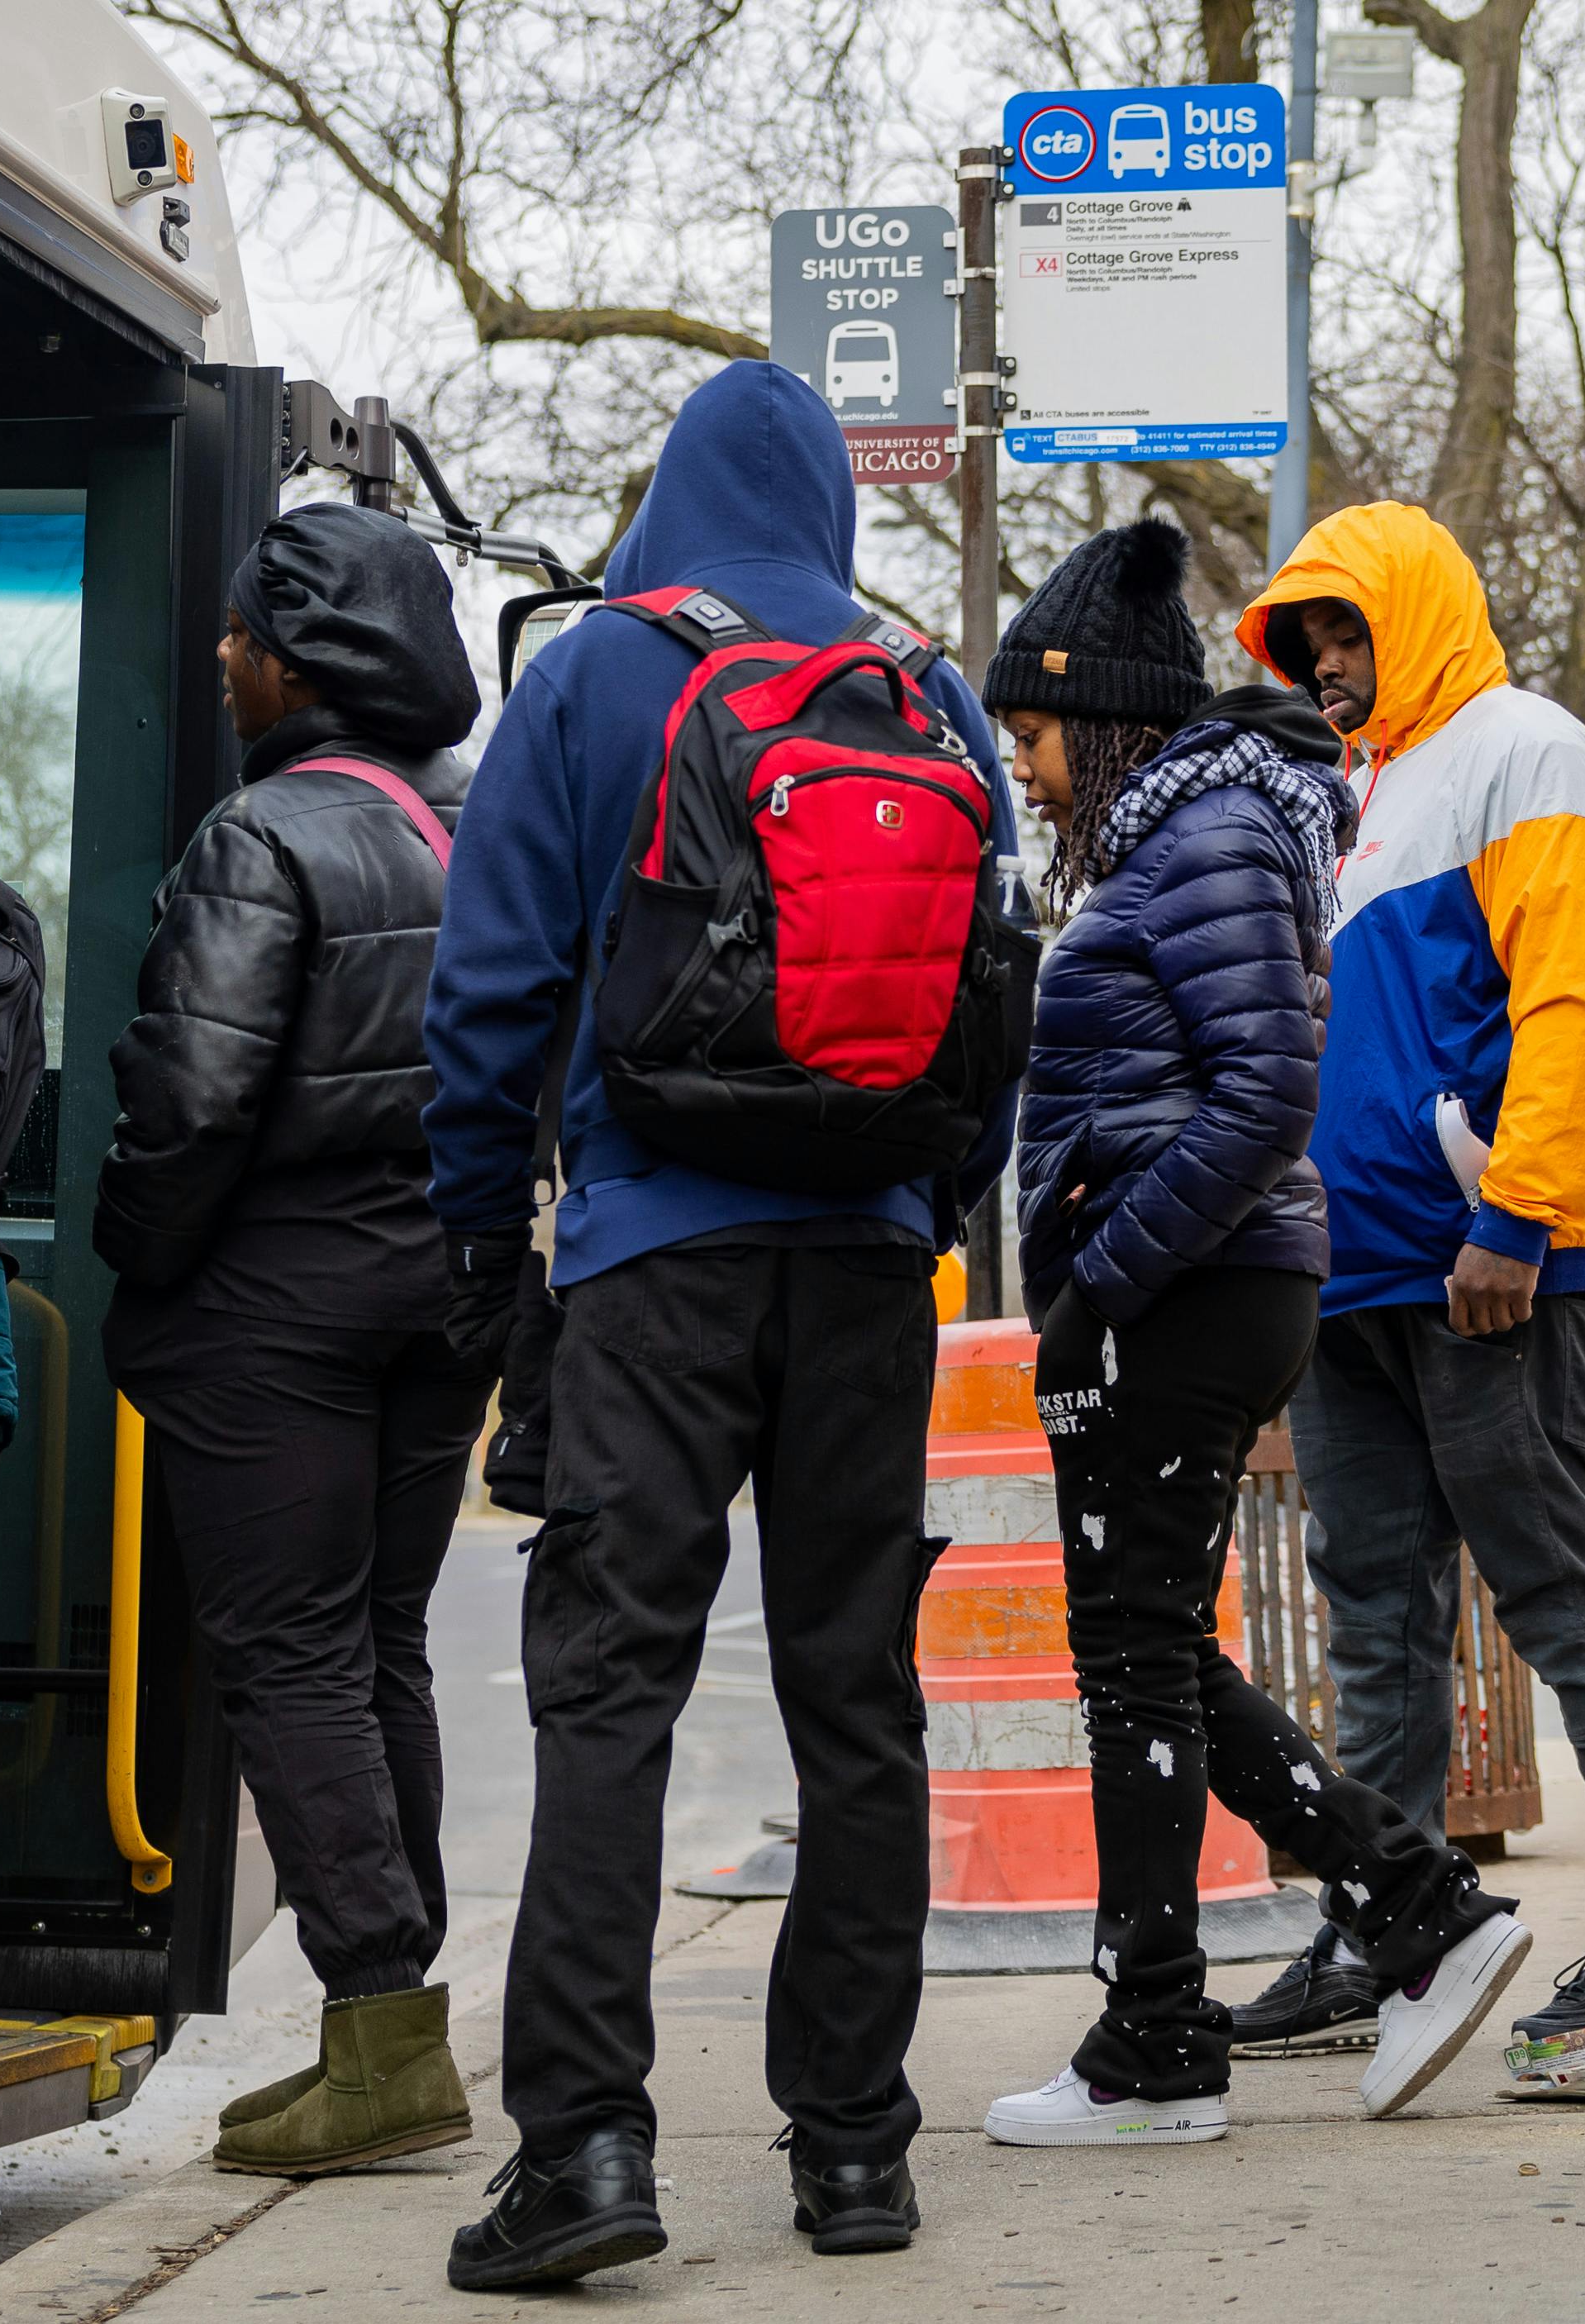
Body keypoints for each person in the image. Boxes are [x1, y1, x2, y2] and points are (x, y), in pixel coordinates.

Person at [418, 361, 1018, 2290]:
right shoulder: (929, 693)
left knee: (610, 1691)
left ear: (667, 494)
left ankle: (586, 2146)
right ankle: (854, 2149)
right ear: (834, 500)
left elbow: (490, 986)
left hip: (651, 1260)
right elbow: (995, 995)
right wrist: (924, 1200)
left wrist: (479, 1230)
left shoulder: (598, 669)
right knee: (858, 1696)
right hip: (866, 1264)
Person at [974, 520, 1534, 2148]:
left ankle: (1165, 2036)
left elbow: (1264, 1090)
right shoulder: (1189, 837)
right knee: (1146, 1648)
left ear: (1110, 720)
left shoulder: (1206, 836)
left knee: (1134, 1658)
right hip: (1202, 1286)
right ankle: (1400, 1912)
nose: (1025, 768)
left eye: (1037, 731)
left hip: (1189, 1291)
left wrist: (1101, 1283)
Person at [1220, 503, 1585, 2088]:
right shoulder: (1355, 801)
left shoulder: (1526, 753)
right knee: (1374, 1612)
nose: (1326, 663)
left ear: (1411, 614)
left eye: (1345, 630)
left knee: (1556, 1589)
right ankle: (1386, 1929)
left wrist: (1520, 1214)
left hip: (1499, 1263)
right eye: (1305, 642)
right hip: (1355, 1275)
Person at [97, 500, 494, 2177]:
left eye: (243, 632)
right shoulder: (465, 831)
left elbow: (190, 1096)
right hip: (440, 1290)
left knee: (293, 1651)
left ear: (303, 659)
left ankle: (383, 2027)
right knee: (383, 1637)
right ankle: (389, 2027)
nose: (222, 655)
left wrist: (138, 1261)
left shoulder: (258, 835)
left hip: (276, 1304)